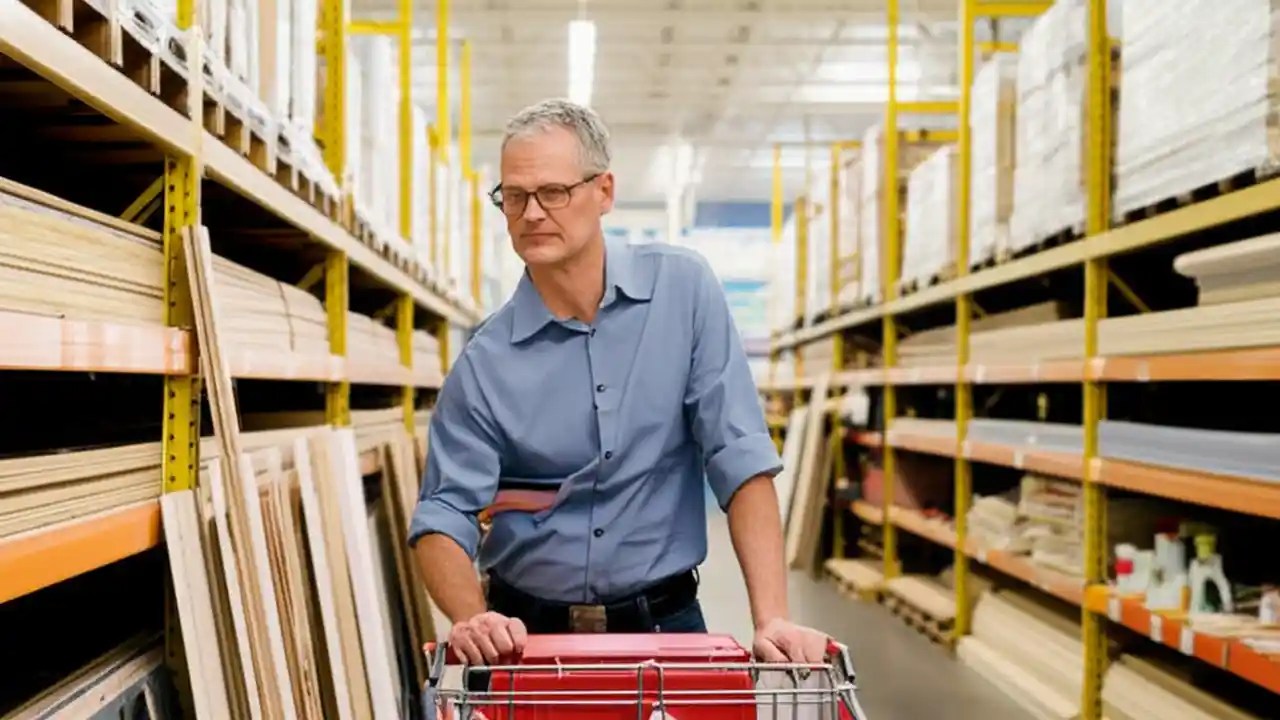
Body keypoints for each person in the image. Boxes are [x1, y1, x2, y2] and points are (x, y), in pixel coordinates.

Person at [407, 98, 830, 668]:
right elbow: (442, 515)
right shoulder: (484, 364)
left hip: (668, 627)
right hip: (526, 640)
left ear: (604, 192)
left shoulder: (683, 292)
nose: (531, 213)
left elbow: (738, 455)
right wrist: (471, 616)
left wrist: (771, 616)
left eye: (553, 192)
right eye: (514, 196)